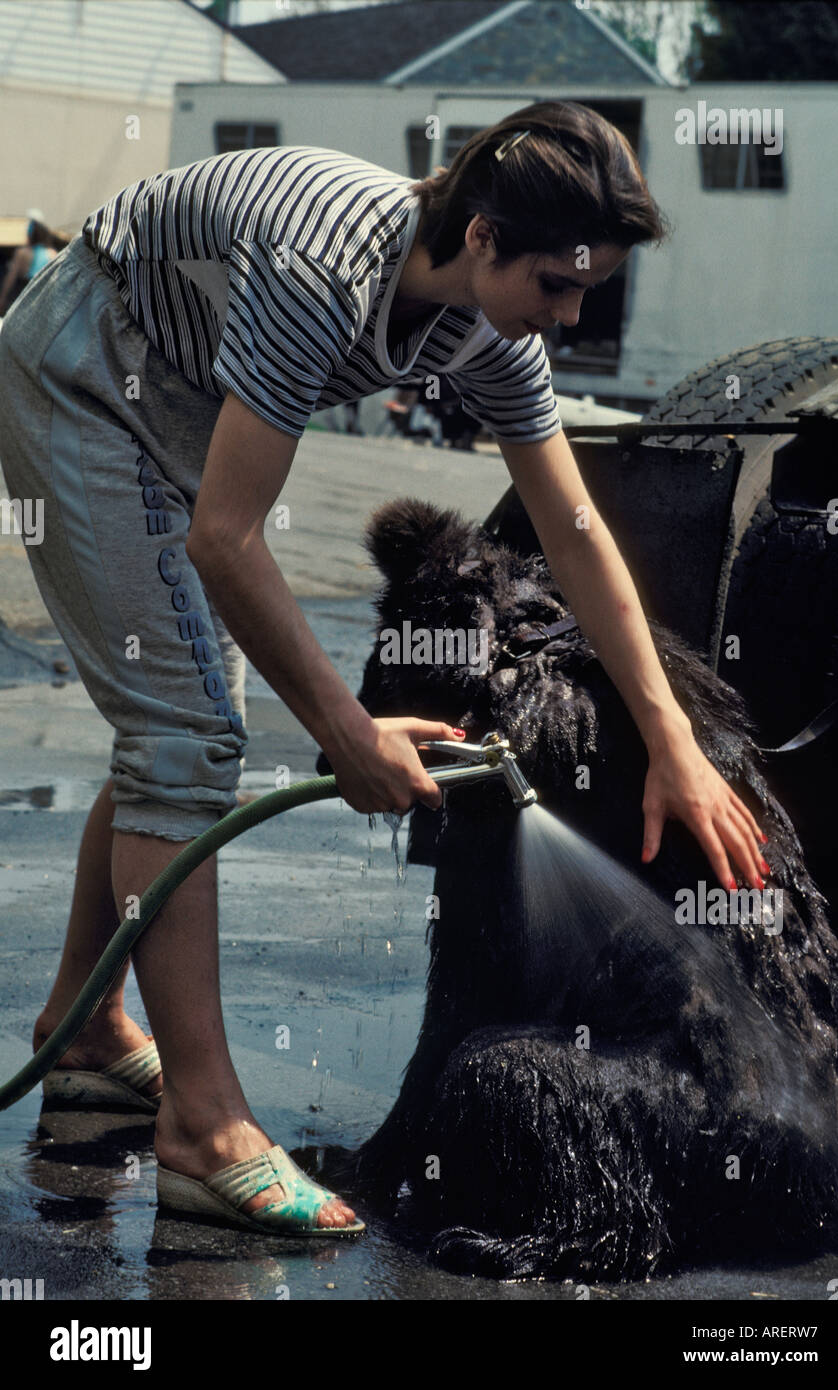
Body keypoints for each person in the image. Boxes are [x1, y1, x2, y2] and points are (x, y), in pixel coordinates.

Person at [0, 101, 769, 1237]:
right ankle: (204, 1132)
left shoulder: (489, 327)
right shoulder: (326, 263)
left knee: (177, 716)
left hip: (177, 385)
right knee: (185, 726)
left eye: (585, 290)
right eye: (557, 286)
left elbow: (576, 531)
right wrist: (349, 733)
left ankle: (86, 1023)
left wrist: (672, 742)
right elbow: (227, 537)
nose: (565, 315)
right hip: (84, 368)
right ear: (481, 236)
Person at [0, 210, 62, 316]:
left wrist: (2, 298)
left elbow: (11, 278)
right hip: (42, 297)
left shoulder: (22, 253)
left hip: (22, 294)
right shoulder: (52, 254)